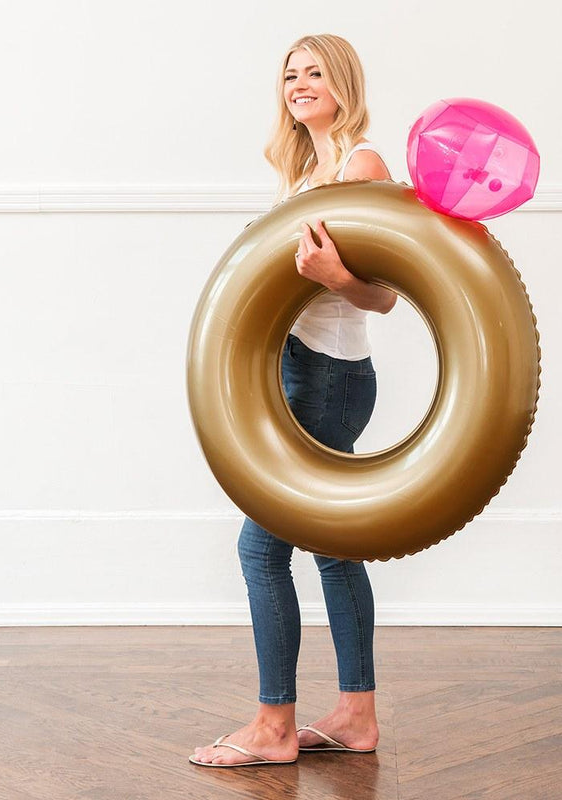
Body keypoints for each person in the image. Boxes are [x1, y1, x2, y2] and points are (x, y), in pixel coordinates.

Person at [191, 33, 396, 768]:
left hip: (328, 375)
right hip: (302, 372)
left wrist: (336, 278)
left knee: (261, 547)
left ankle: (274, 726)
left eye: (314, 73)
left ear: (343, 82)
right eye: (290, 75)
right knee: (333, 548)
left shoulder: (360, 164)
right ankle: (355, 717)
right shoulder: (305, 173)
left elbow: (385, 294)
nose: (299, 84)